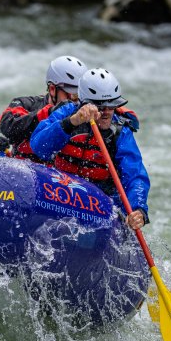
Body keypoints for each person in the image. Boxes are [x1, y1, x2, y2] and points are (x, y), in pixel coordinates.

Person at [30, 67, 149, 229]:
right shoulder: (66, 114)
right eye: (101, 107)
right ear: (85, 103)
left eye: (112, 105)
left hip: (99, 203)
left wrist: (138, 210)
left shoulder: (120, 132)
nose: (107, 112)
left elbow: (136, 176)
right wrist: (72, 122)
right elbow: (39, 147)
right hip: (59, 195)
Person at [0, 55, 86, 161]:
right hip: (24, 171)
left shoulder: (83, 113)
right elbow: (7, 126)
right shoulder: (26, 104)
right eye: (73, 95)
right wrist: (49, 112)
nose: (76, 102)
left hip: (61, 175)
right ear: (52, 89)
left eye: (80, 96)